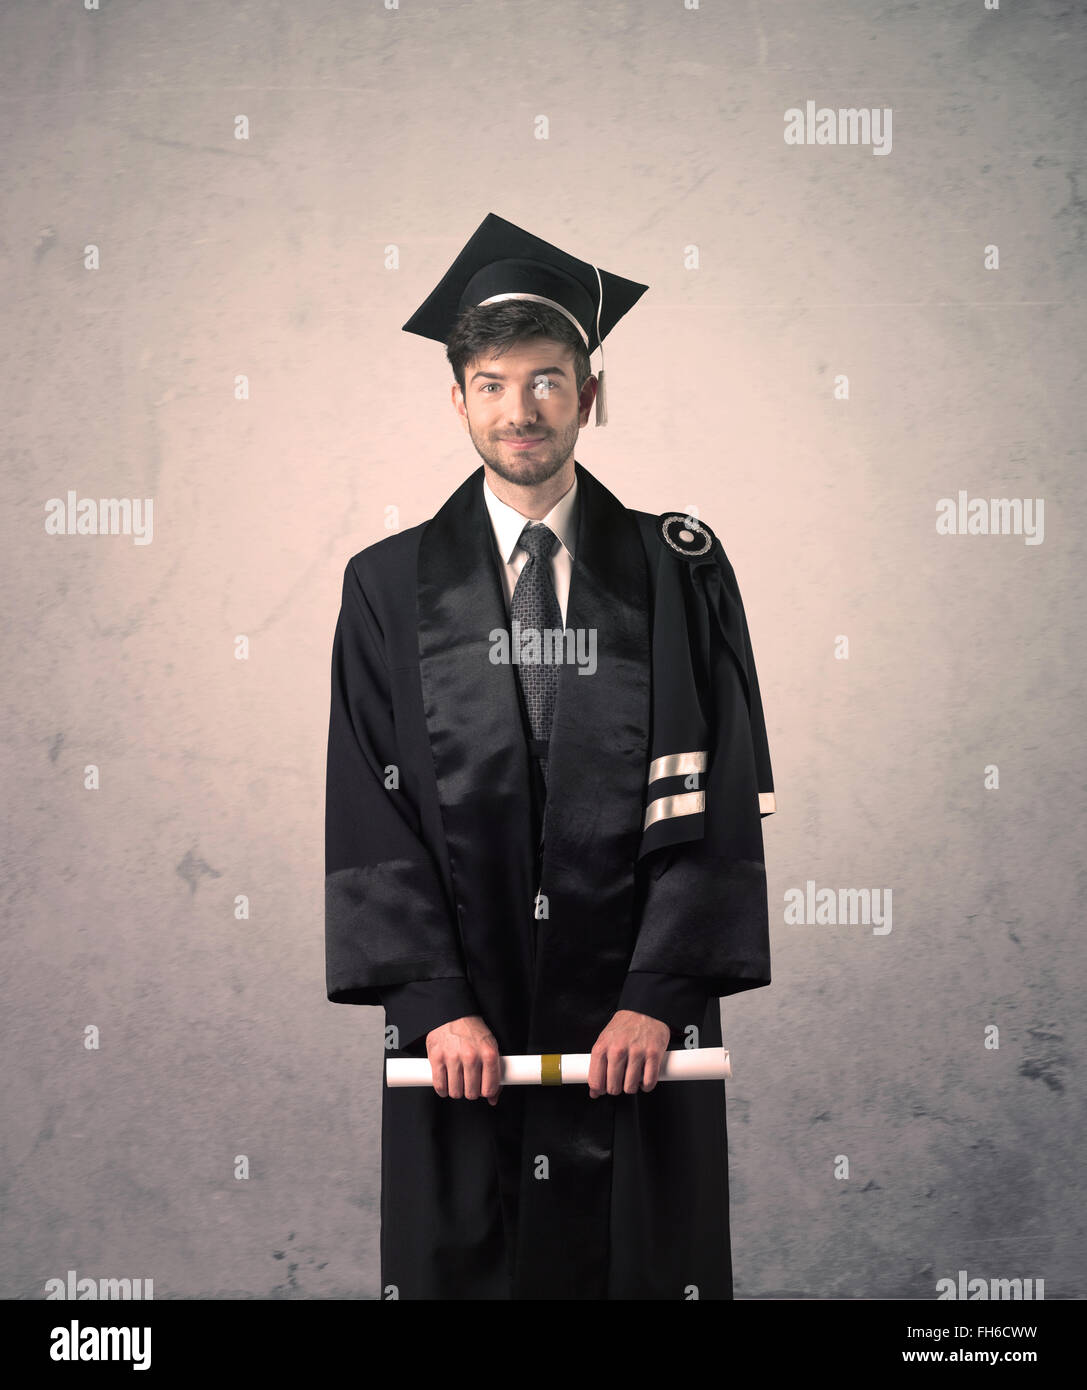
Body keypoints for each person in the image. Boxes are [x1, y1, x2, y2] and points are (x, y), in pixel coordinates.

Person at [324, 213, 776, 1300]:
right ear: (457, 399)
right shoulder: (384, 586)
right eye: (490, 383)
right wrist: (434, 1001)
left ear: (589, 391)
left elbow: (718, 794)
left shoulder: (680, 569)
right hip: (464, 1032)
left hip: (633, 1020)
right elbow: (365, 802)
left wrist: (655, 993)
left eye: (545, 380)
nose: (518, 410)